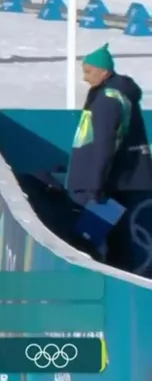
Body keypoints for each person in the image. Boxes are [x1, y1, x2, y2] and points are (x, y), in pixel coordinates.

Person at [67, 44, 152, 275]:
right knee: (118, 239)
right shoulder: (118, 93)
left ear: (104, 72)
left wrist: (96, 184)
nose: (85, 78)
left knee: (90, 241)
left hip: (108, 184)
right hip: (121, 179)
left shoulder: (108, 100)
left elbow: (104, 145)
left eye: (88, 72)